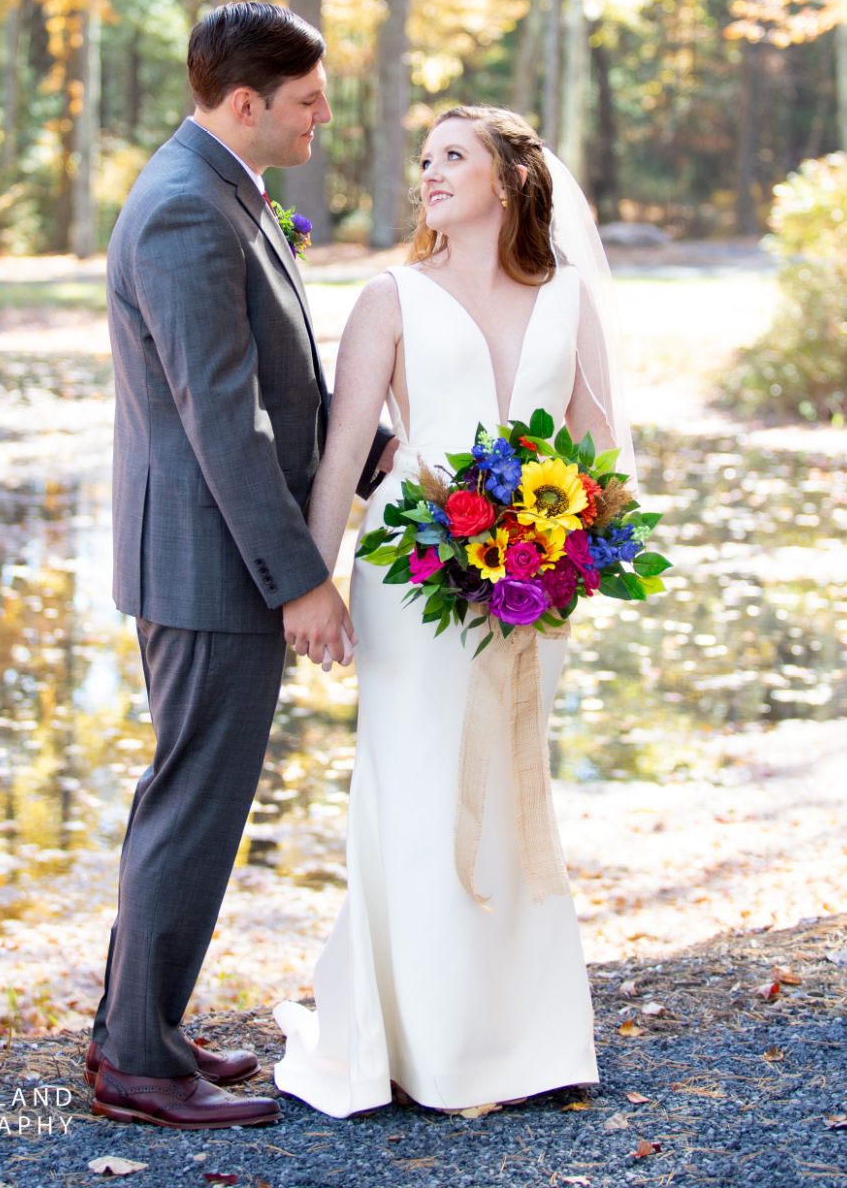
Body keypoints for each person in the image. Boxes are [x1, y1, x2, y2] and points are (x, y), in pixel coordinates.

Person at [274, 104, 634, 1116]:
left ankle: (522, 1039)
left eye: (453, 156)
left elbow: (598, 451)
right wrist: (312, 580)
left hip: (533, 580)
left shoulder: (567, 296)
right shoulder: (390, 297)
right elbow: (344, 451)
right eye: (424, 158)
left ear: (509, 179)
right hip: (411, 572)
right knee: (418, 782)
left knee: (514, 780)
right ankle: (419, 1044)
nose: (428, 173)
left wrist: (573, 547)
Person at [88, 1, 391, 1131]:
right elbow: (221, 418)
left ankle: (140, 1032)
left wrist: (373, 453)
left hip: (211, 551)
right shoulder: (183, 206)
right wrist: (300, 578)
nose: (324, 117)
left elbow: (274, 380)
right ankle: (134, 1065)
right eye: (308, 100)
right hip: (206, 560)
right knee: (193, 803)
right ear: (246, 101)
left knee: (189, 797)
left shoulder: (224, 186)